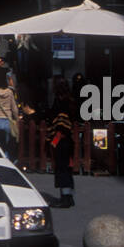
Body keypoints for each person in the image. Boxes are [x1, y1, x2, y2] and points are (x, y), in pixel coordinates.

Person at [49, 78, 77, 208]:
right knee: (66, 167)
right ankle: (69, 196)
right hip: (68, 139)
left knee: (62, 168)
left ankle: (65, 198)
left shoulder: (61, 102)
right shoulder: (70, 100)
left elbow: (60, 126)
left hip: (61, 139)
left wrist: (53, 142)